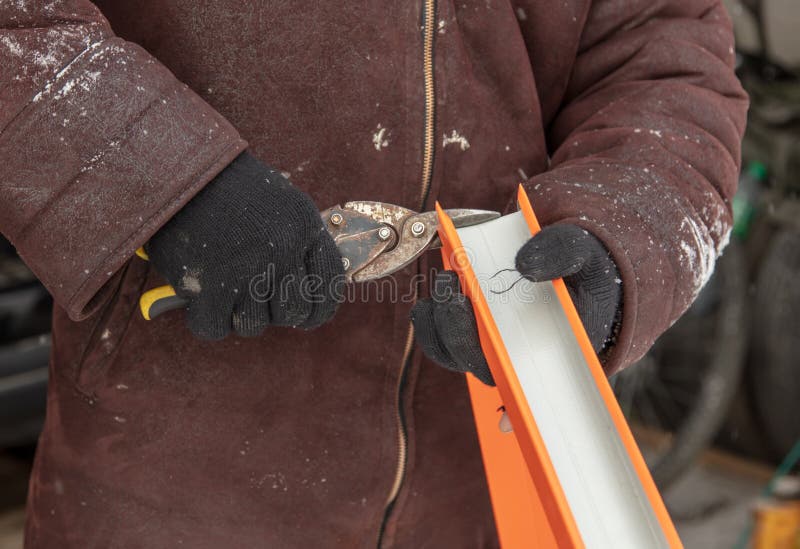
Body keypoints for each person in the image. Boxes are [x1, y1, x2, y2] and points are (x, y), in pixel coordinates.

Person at [0, 1, 747, 547]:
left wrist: (620, 231)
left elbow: (668, 60)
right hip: (167, 482)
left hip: (486, 490)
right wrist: (160, 177)